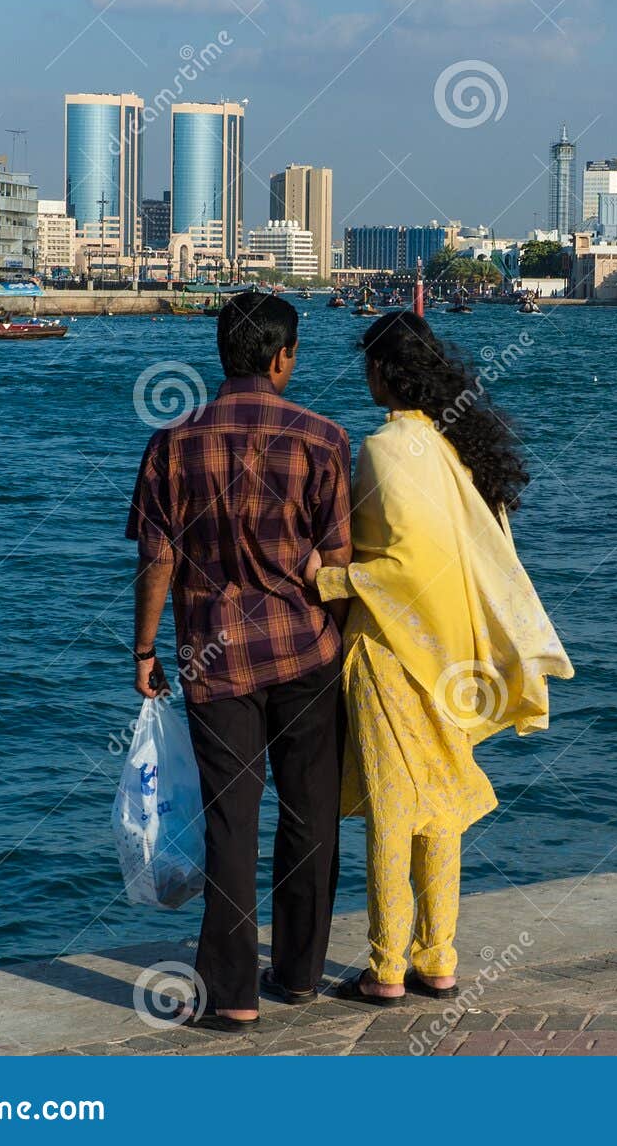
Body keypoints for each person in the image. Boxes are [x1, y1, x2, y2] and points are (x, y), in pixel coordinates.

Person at [312, 311, 573, 1005]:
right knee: (441, 805)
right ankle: (439, 959)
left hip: (392, 651)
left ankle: (387, 967)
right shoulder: (458, 448)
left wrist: (328, 578)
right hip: (454, 655)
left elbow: (407, 563)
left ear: (386, 372)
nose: (363, 374)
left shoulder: (384, 448)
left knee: (394, 810)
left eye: (368, 363)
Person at [126, 291, 351, 1033]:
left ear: (224, 353)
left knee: (231, 820)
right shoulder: (324, 439)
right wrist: (338, 638)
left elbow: (155, 560)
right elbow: (340, 561)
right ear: (282, 358)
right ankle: (299, 974)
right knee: (310, 812)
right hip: (305, 649)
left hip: (214, 659)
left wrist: (145, 648)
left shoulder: (172, 442)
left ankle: (231, 994)